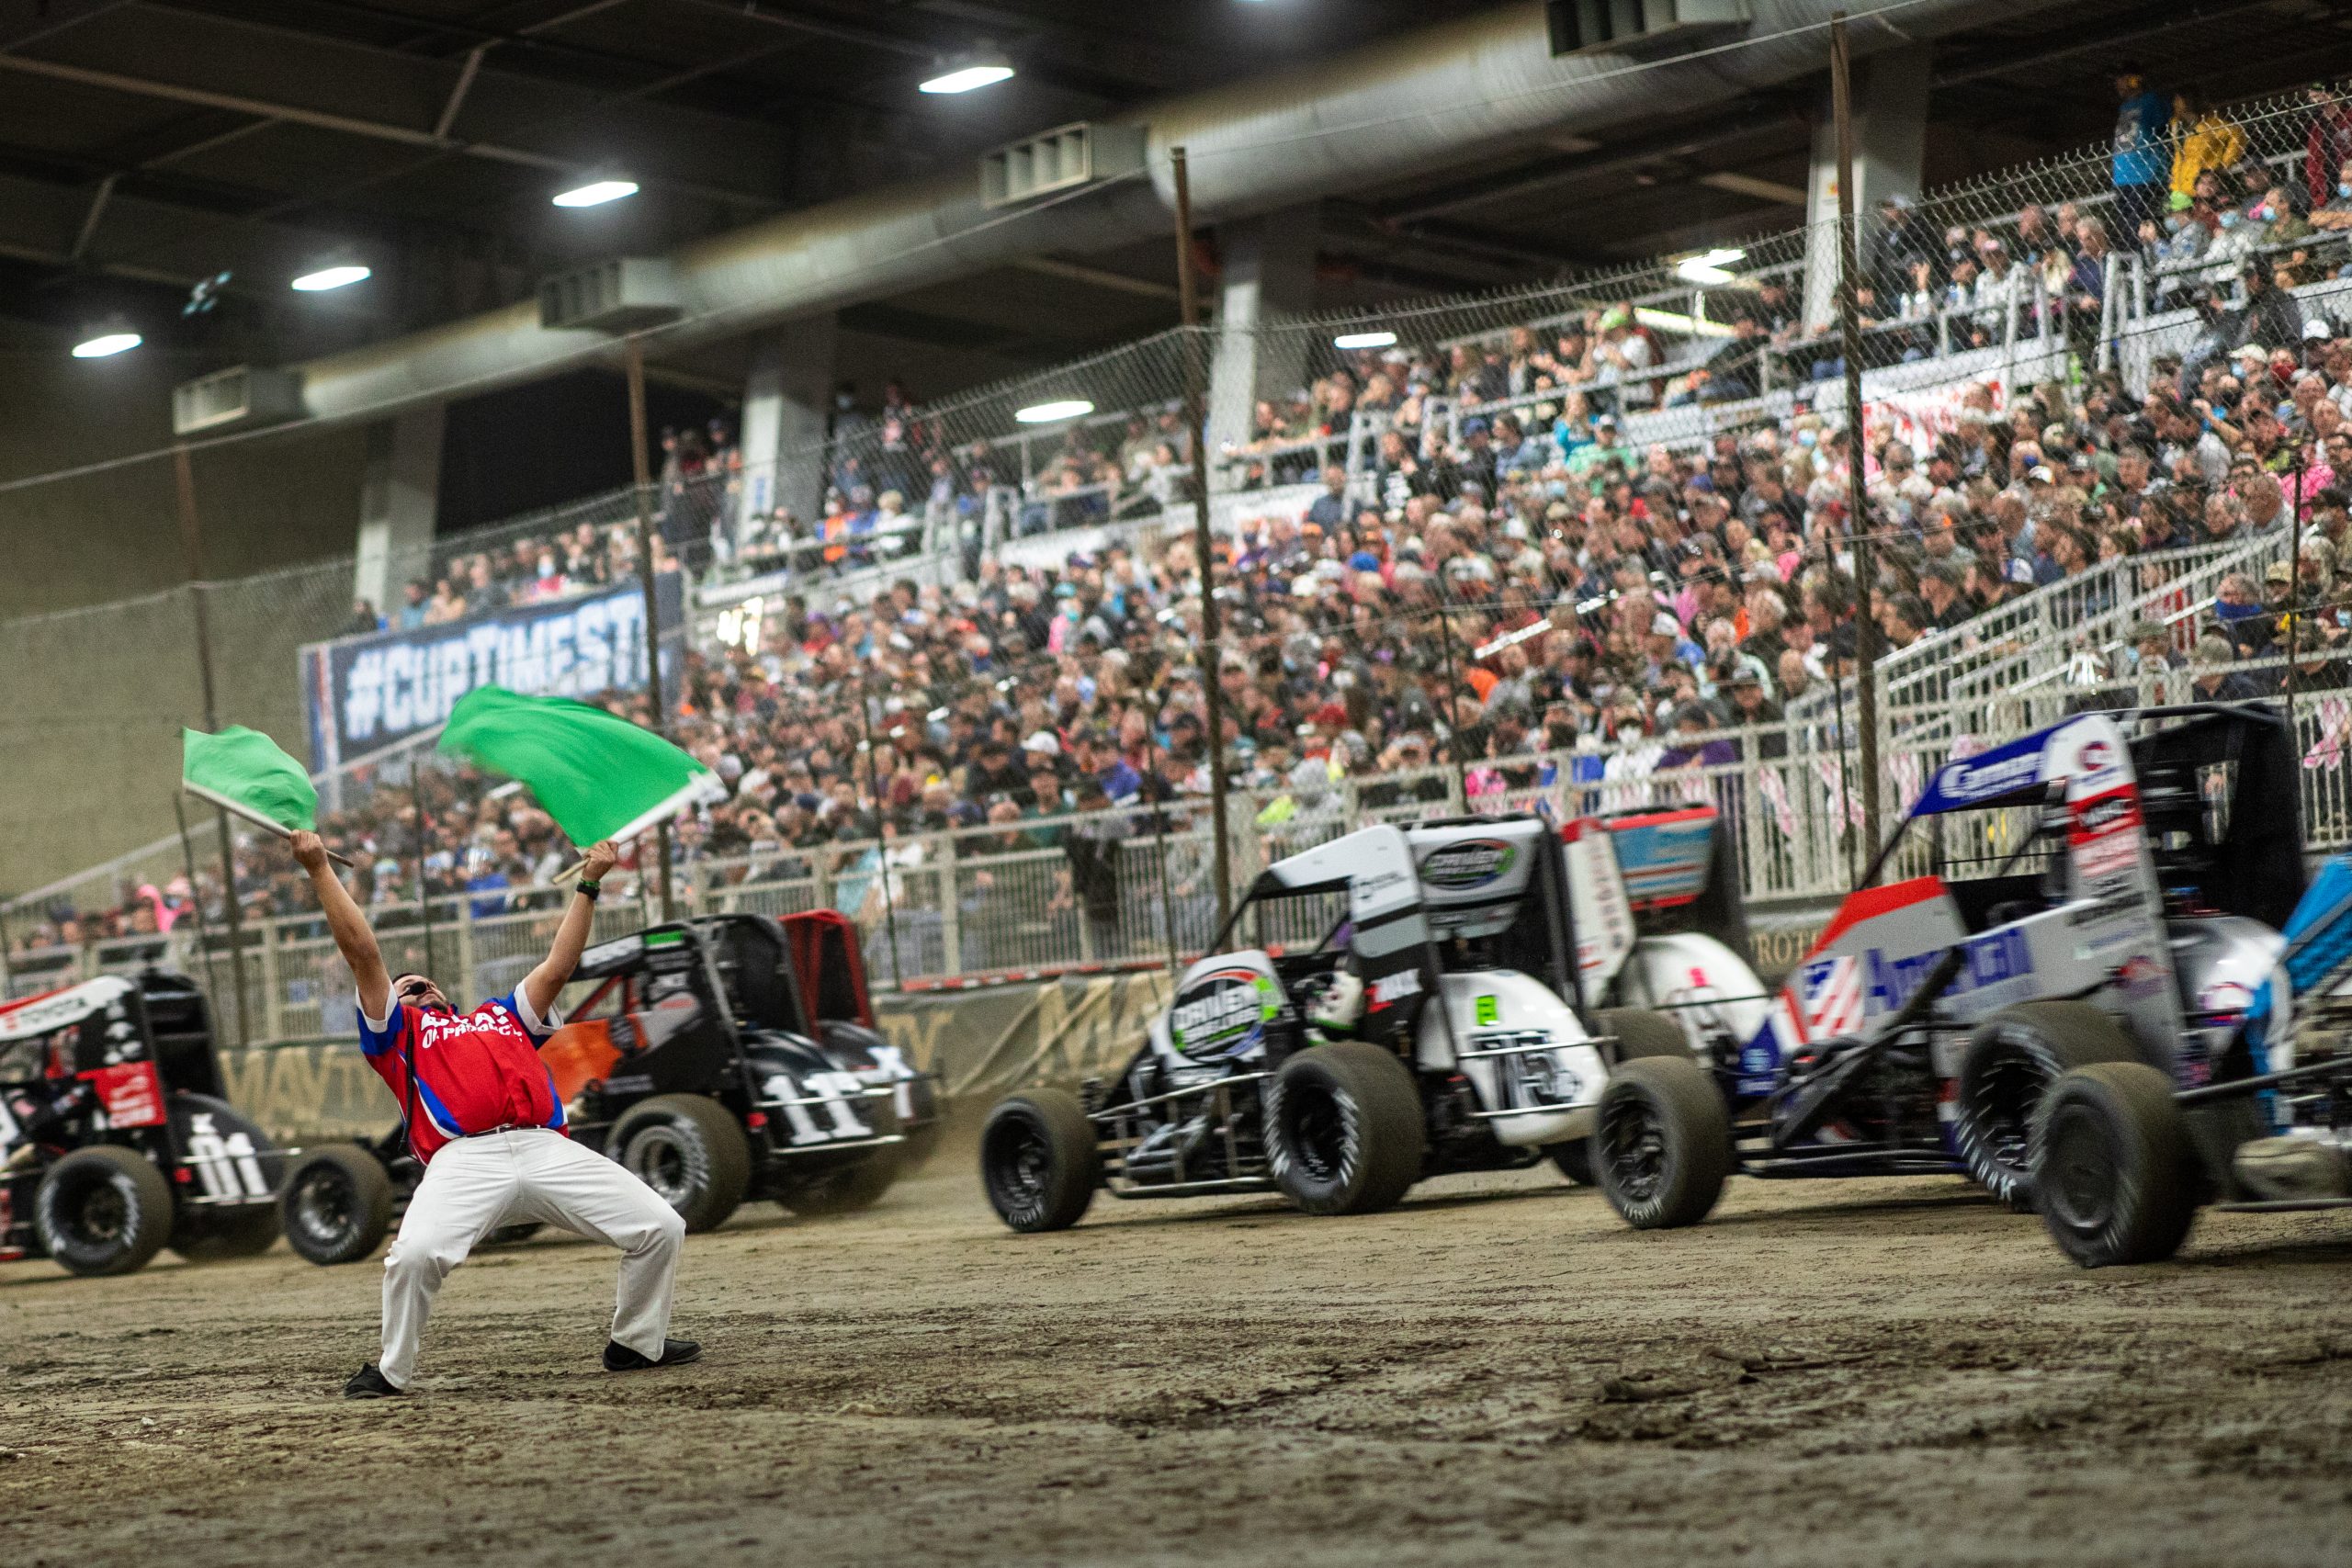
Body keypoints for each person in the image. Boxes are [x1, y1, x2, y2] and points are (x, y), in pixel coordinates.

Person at [289, 829, 696, 1399]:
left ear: (445, 995)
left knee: (661, 1227)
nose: (414, 987)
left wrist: (589, 883)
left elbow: (558, 966)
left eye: (423, 984)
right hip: (464, 1160)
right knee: (414, 1256)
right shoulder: (398, 1035)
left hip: (544, 1146)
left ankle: (635, 1344)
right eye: (404, 988)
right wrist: (317, 870)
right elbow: (364, 953)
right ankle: (390, 1371)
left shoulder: (498, 1016)